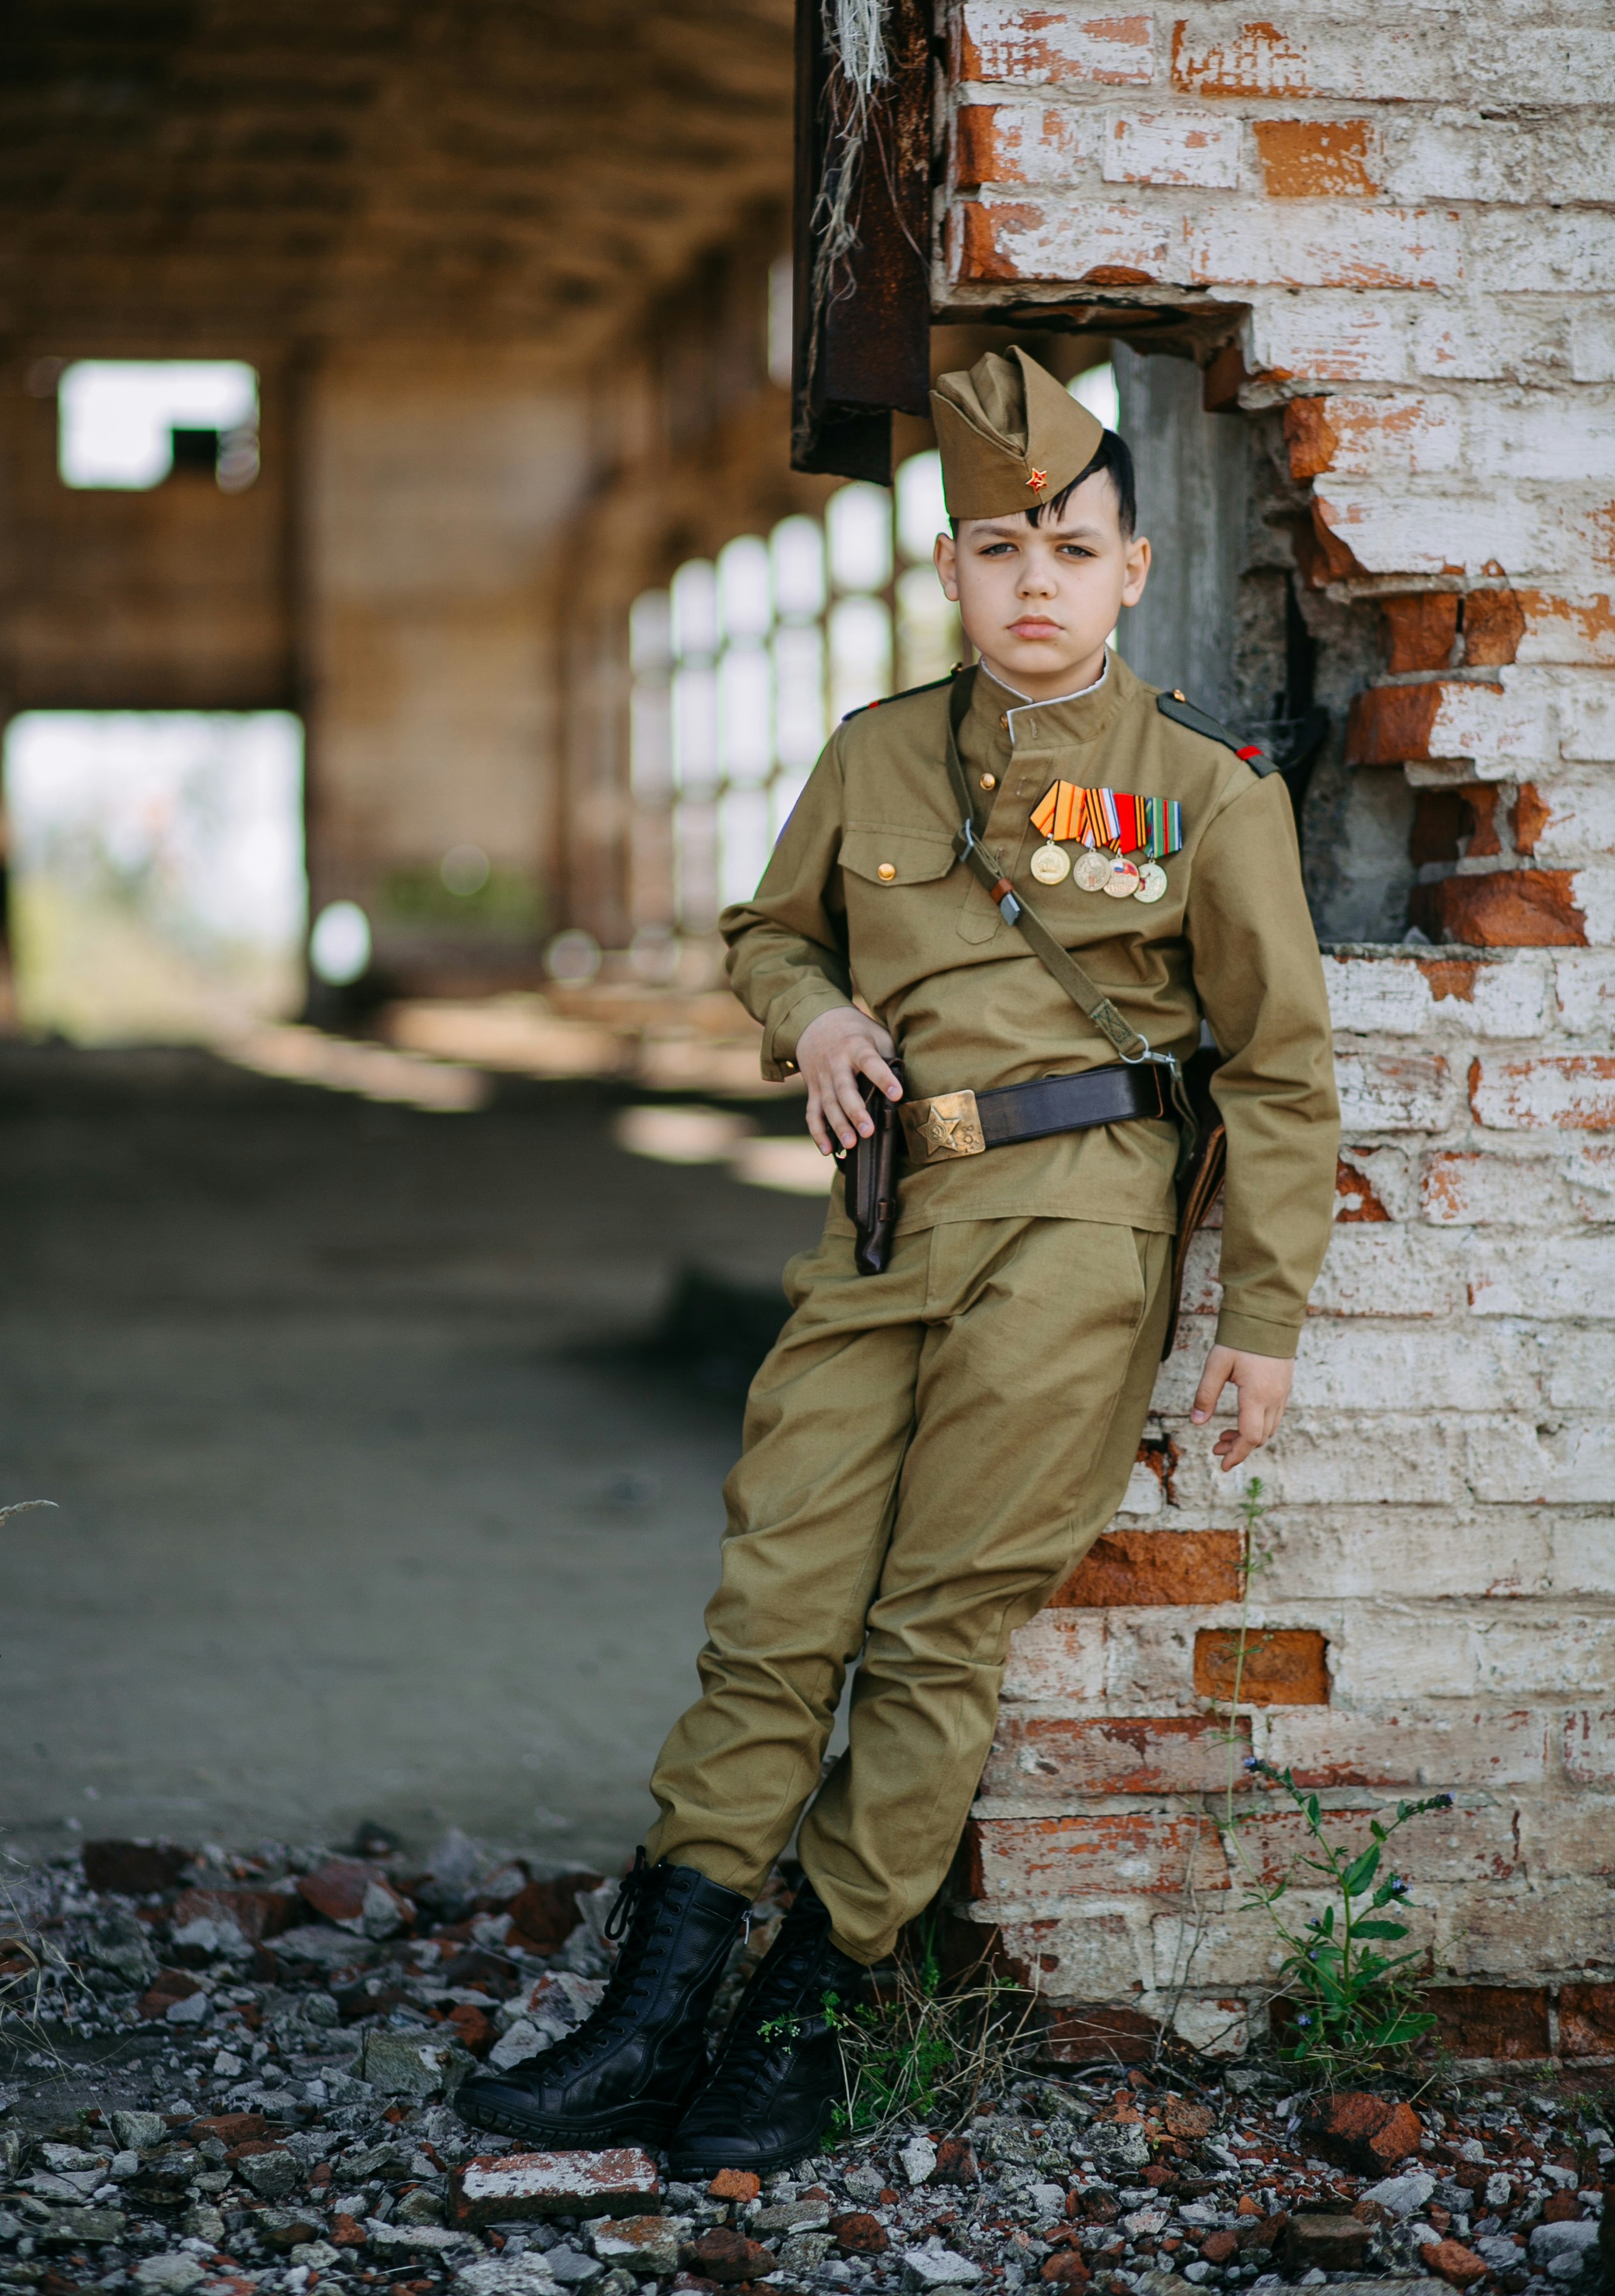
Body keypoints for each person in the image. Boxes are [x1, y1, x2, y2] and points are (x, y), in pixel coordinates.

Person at [457, 345, 1339, 2167]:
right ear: (948, 569)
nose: (1034, 579)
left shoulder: (1207, 790)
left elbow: (1278, 1063)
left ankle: (807, 2011)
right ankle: (653, 2010)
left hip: (1082, 1231)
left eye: (1069, 547)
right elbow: (765, 931)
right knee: (775, 1611)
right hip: (886, 1217)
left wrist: (1262, 1315)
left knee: (936, 1632)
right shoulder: (872, 760)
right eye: (998, 547)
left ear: (1130, 570)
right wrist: (815, 1023)